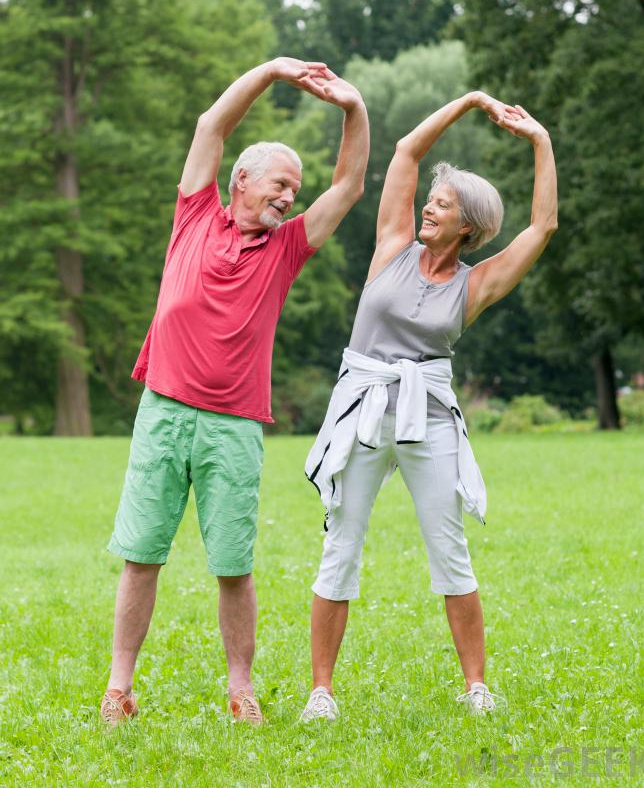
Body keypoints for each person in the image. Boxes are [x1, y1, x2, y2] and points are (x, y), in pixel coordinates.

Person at [100, 57, 369, 726]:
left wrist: (353, 109)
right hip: (162, 411)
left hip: (234, 425)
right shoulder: (194, 215)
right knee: (140, 556)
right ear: (240, 180)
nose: (288, 196)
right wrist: (273, 71)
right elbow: (211, 124)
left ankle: (241, 689)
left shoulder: (287, 249)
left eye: (294, 189)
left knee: (232, 565)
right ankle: (118, 688)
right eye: (281, 183)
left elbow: (351, 185)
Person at [302, 92, 557, 721]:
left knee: (450, 550)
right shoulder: (392, 246)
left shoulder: (477, 283)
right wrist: (467, 103)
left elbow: (542, 226)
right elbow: (406, 152)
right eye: (431, 200)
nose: (427, 208)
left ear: (465, 224)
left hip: (429, 415)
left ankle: (476, 688)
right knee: (342, 546)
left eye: (440, 205)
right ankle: (321, 694)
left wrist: (541, 143)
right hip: (364, 406)